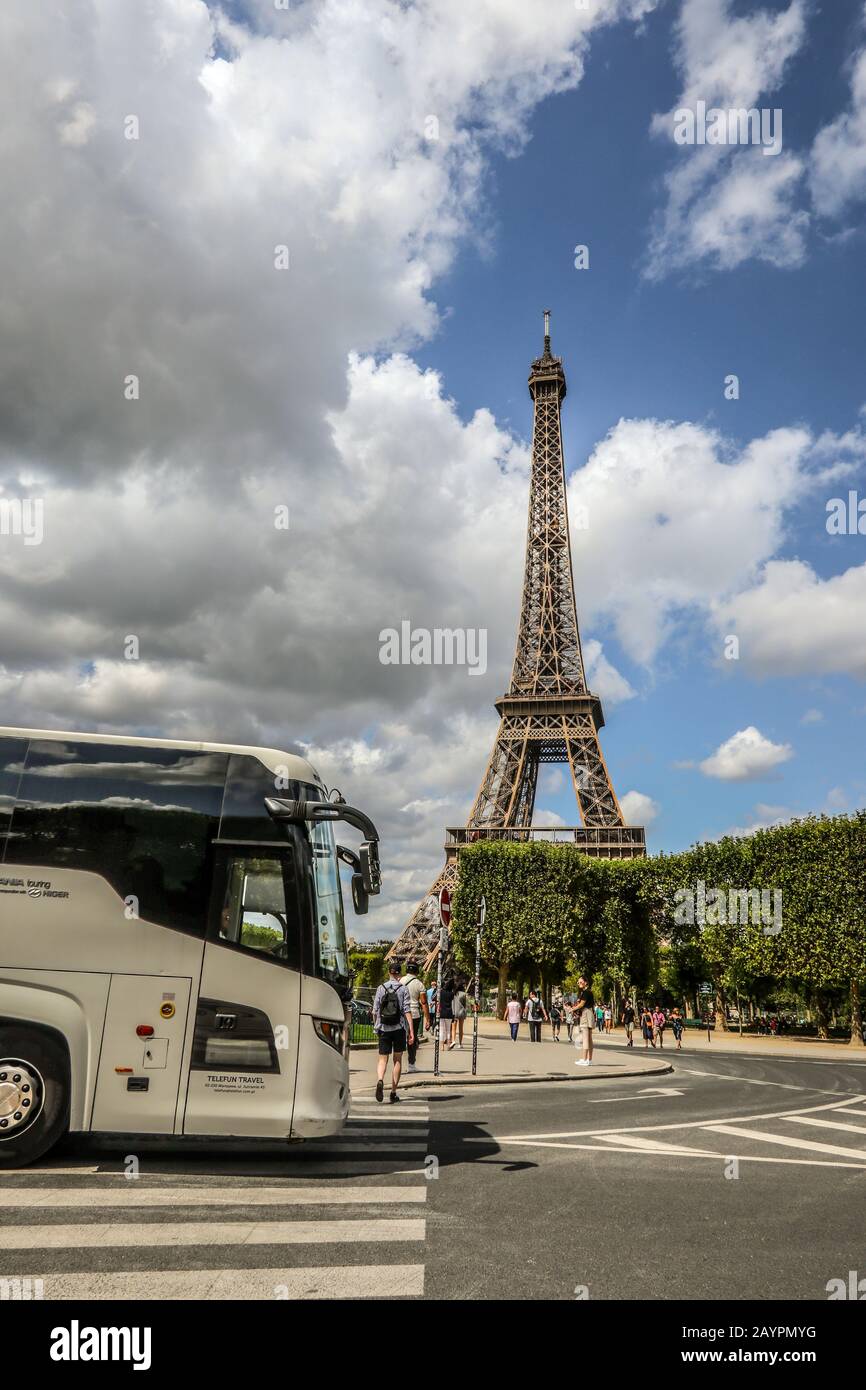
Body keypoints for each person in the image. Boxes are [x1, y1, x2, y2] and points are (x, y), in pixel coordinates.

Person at [373, 961, 413, 1103]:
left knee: (383, 1059)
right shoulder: (403, 989)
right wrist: (411, 1030)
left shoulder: (380, 988)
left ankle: (380, 1080)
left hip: (383, 1027)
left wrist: (376, 1026)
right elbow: (407, 1010)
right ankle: (393, 1092)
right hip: (398, 1028)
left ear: (389, 973)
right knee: (397, 1060)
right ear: (399, 974)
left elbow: (375, 1010)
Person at [400, 960, 430, 1072]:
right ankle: (411, 1064)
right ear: (417, 971)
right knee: (412, 1038)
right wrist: (428, 1019)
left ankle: (397, 1065)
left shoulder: (400, 981)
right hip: (414, 1014)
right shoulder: (419, 984)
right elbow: (423, 1003)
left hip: (402, 1014)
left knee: (401, 1038)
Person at [574, 976, 595, 1066]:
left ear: (586, 982)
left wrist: (572, 1009)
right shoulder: (589, 992)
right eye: (578, 983)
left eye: (581, 982)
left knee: (585, 1038)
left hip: (586, 1014)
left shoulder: (585, 992)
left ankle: (584, 1059)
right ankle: (589, 1060)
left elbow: (581, 1004)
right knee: (589, 1039)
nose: (579, 984)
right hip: (589, 1013)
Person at [452, 977, 467, 1048]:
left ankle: (453, 1041)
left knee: (453, 1028)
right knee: (461, 1028)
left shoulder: (453, 993)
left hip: (454, 1012)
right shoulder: (463, 994)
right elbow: (465, 1005)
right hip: (461, 1012)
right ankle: (460, 1044)